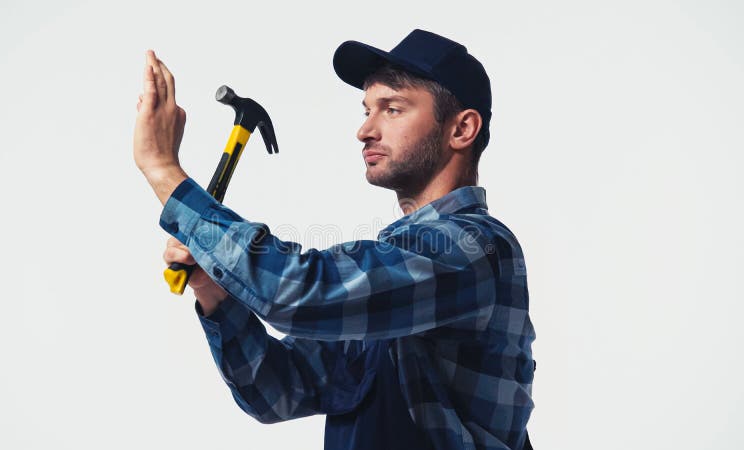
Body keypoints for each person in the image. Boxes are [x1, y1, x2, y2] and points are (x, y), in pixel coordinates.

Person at [133, 29, 535, 450]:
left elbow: (300, 293)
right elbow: (275, 389)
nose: (365, 130)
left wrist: (163, 170)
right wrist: (214, 289)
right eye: (366, 110)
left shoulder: (474, 248)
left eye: (392, 109)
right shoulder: (393, 283)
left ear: (462, 129)